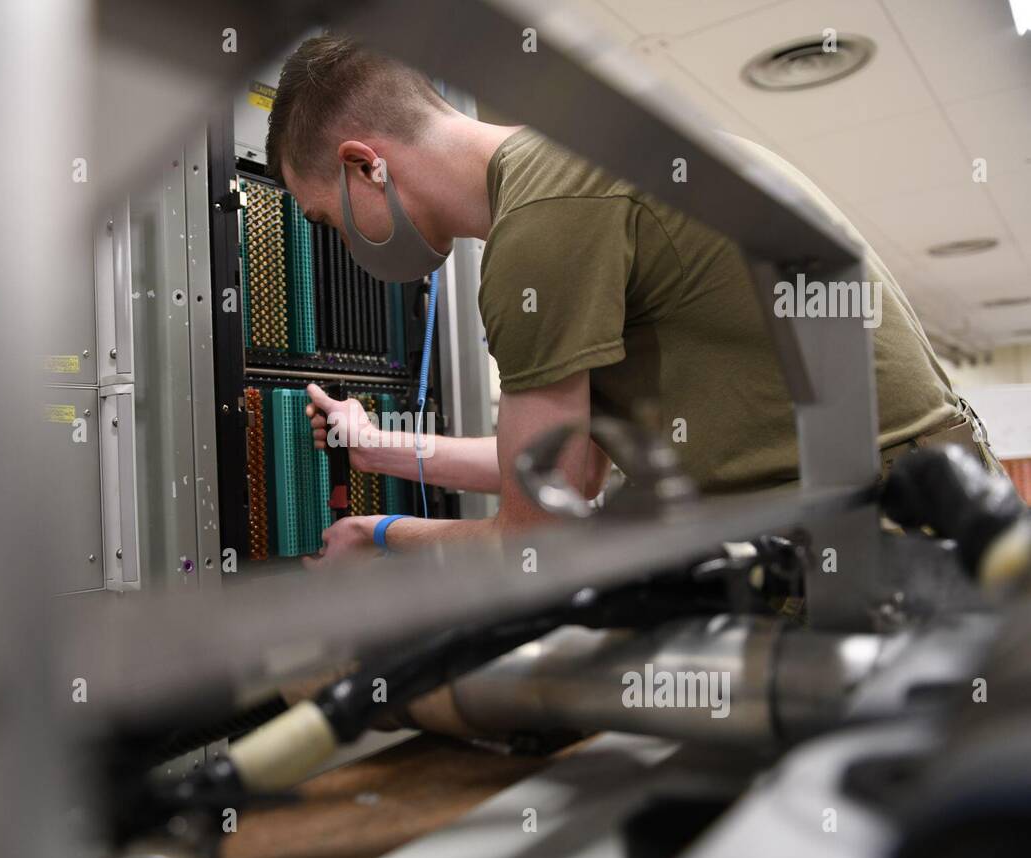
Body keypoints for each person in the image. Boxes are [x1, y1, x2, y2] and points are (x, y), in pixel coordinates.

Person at [265, 35, 995, 565]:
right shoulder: (575, 163)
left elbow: (537, 533)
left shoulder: (543, 221)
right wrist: (377, 447)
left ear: (364, 164)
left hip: (892, 540)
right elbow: (561, 469)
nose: (343, 244)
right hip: (935, 511)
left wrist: (379, 536)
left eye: (328, 219)